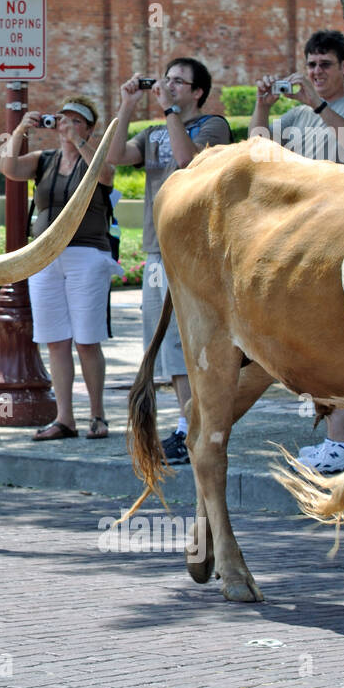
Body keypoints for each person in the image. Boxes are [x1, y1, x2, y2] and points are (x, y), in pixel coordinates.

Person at [251, 29, 344, 473]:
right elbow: (258, 153)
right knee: (316, 337)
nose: (316, 72)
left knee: (335, 337)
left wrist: (318, 105)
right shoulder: (294, 117)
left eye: (325, 64)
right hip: (307, 238)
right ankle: (341, 437)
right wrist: (263, 107)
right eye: (310, 65)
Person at [107, 58, 231, 465]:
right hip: (158, 248)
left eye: (180, 82)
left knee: (186, 340)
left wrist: (169, 112)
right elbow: (114, 156)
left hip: (196, 249)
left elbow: (187, 161)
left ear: (198, 92)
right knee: (162, 345)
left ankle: (191, 426)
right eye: (167, 80)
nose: (170, 86)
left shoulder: (213, 126)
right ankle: (185, 422)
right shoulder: (153, 131)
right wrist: (127, 105)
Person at [0, 97, 119, 441]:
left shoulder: (94, 157)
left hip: (87, 254)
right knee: (55, 340)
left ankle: (97, 415)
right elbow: (9, 168)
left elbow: (105, 174)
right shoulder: (44, 160)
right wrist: (21, 129)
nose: (66, 126)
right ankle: (64, 418)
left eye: (76, 121)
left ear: (90, 128)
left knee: (86, 339)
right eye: (62, 120)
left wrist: (79, 142)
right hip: (45, 256)